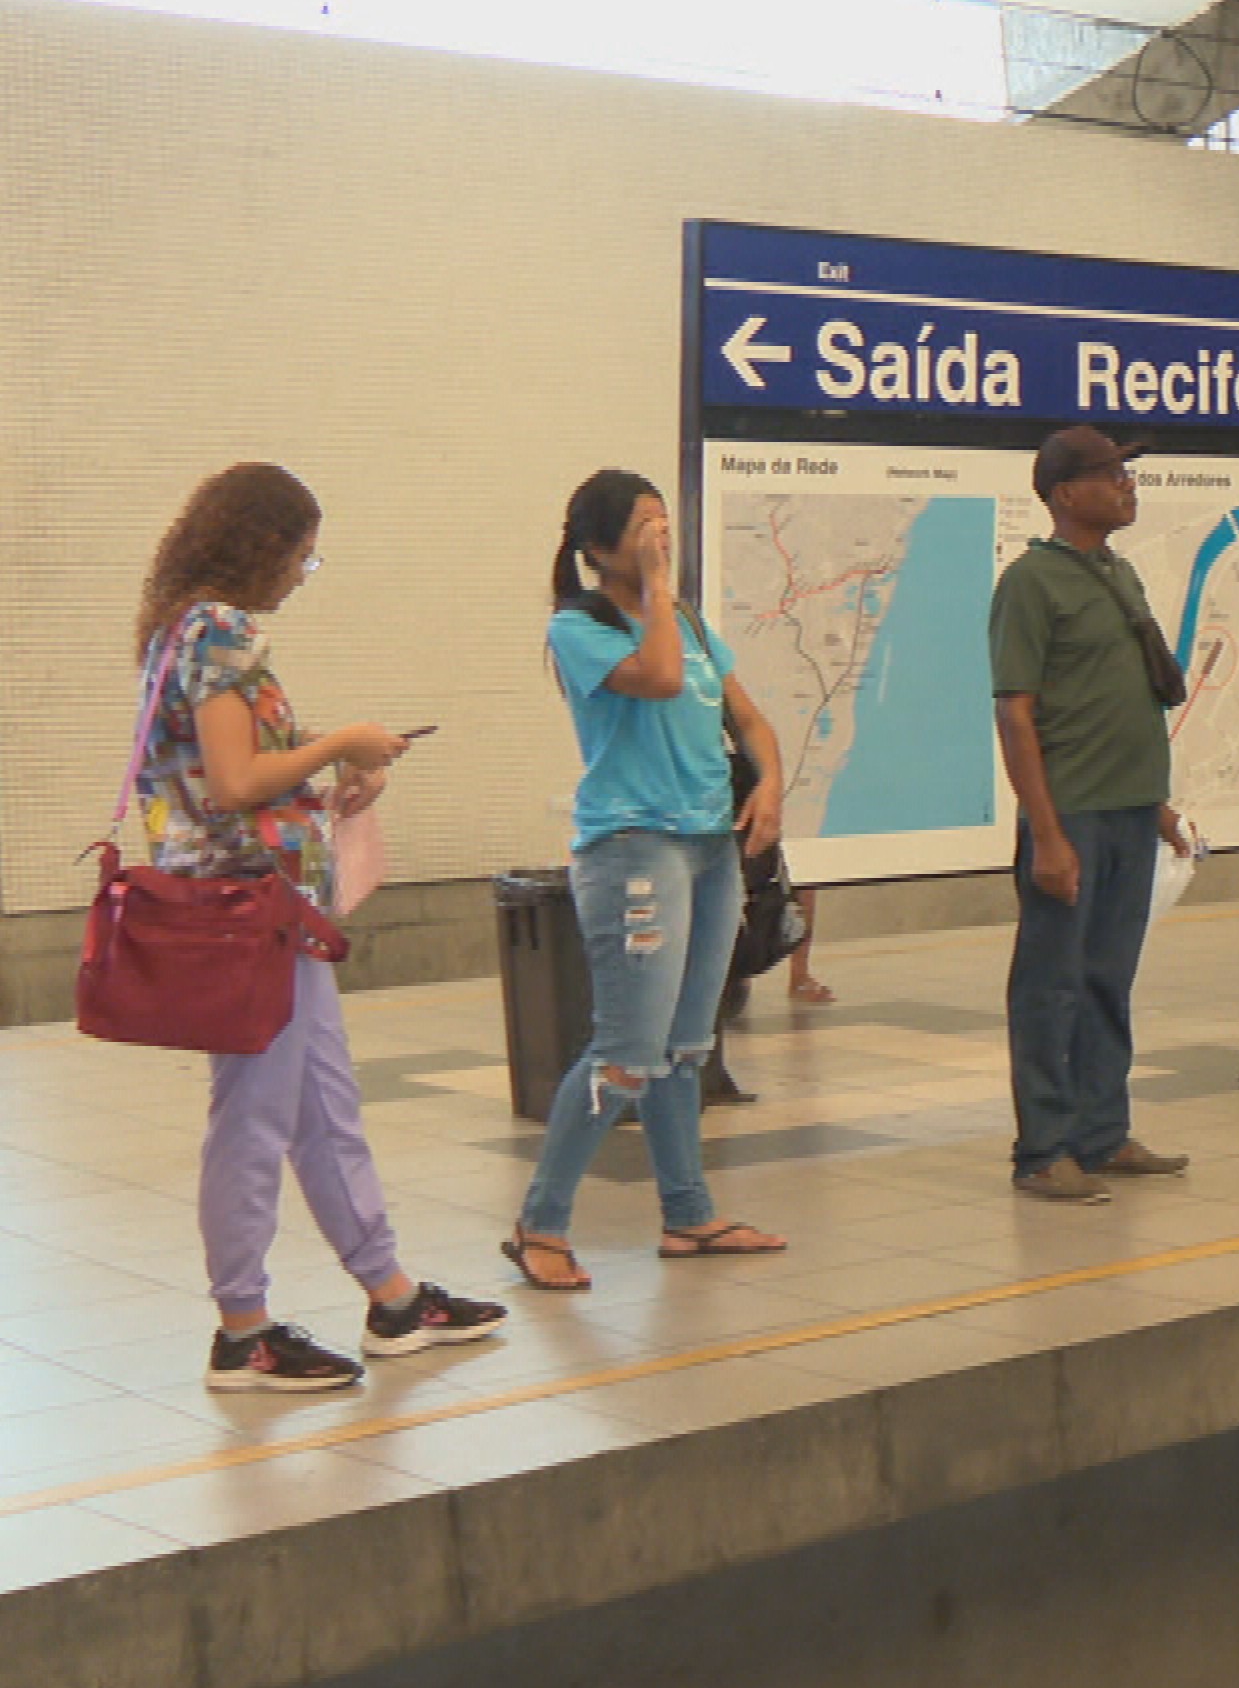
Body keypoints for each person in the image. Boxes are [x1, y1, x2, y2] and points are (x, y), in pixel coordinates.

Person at [133, 464, 505, 1392]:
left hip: (269, 911)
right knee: (254, 1120)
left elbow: (234, 767)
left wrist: (329, 770)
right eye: (303, 555)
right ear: (261, 547)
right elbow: (233, 782)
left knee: (325, 1107)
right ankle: (242, 1331)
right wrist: (341, 742)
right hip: (244, 914)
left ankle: (392, 1297)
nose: (303, 573)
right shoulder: (219, 630)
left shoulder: (181, 628)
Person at [505, 472, 792, 1290]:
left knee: (683, 1049)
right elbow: (662, 678)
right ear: (599, 549)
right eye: (643, 527)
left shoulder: (688, 621)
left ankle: (689, 1215)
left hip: (709, 848)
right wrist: (658, 588)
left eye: (664, 522)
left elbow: (748, 718)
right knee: (626, 1054)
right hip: (635, 851)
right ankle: (540, 1225)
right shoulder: (579, 628)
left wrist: (771, 784)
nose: (661, 537)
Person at [991, 426, 1194, 1202]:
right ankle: (1043, 1149)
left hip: (1129, 811)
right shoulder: (1030, 583)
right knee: (1051, 985)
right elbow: (1016, 714)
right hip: (1071, 813)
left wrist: (1157, 806)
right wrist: (1046, 834)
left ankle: (1102, 1134)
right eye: (1112, 475)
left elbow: (1122, 693)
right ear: (1067, 493)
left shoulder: (1119, 572)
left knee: (1109, 977)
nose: (1127, 485)